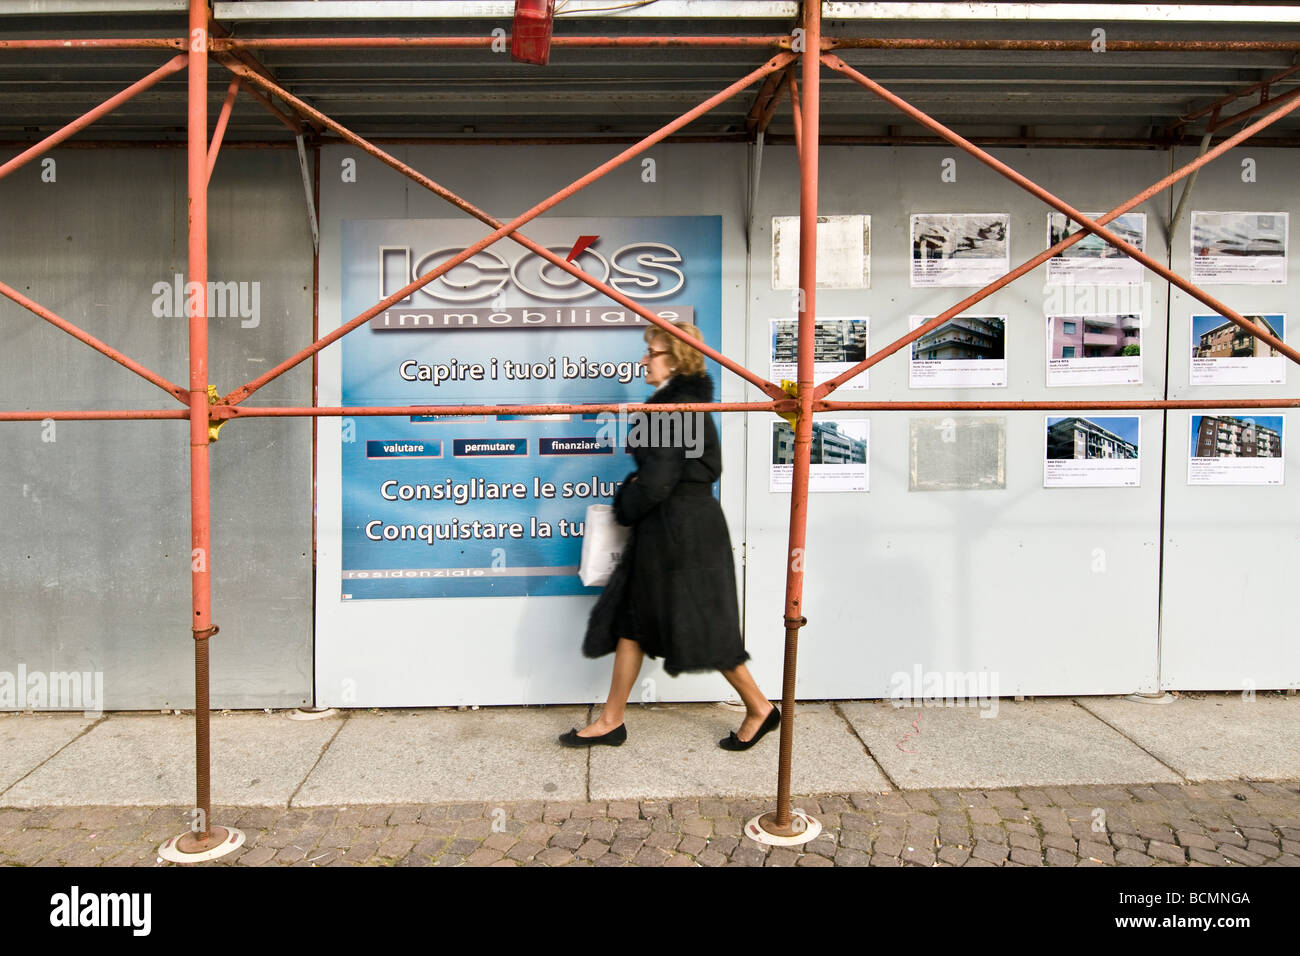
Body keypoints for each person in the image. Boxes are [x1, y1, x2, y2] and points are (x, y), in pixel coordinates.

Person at [558, 322, 779, 751]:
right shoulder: (687, 403)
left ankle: (759, 707)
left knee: (703, 625)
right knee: (633, 622)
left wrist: (626, 501)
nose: (643, 359)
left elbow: (657, 482)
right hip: (680, 525)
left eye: (652, 352)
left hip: (678, 532)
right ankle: (611, 720)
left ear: (675, 358)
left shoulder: (671, 407)